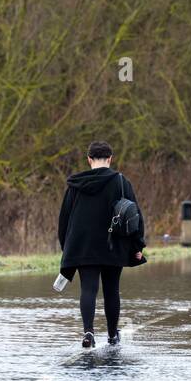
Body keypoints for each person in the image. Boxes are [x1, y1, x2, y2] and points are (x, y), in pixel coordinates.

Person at [56, 141, 146, 347]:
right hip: (114, 246)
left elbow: (64, 220)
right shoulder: (121, 182)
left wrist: (67, 248)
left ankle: (88, 332)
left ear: (88, 159)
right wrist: (137, 247)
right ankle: (113, 335)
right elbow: (135, 217)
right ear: (110, 159)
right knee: (111, 290)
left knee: (88, 289)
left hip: (83, 247)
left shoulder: (75, 186)